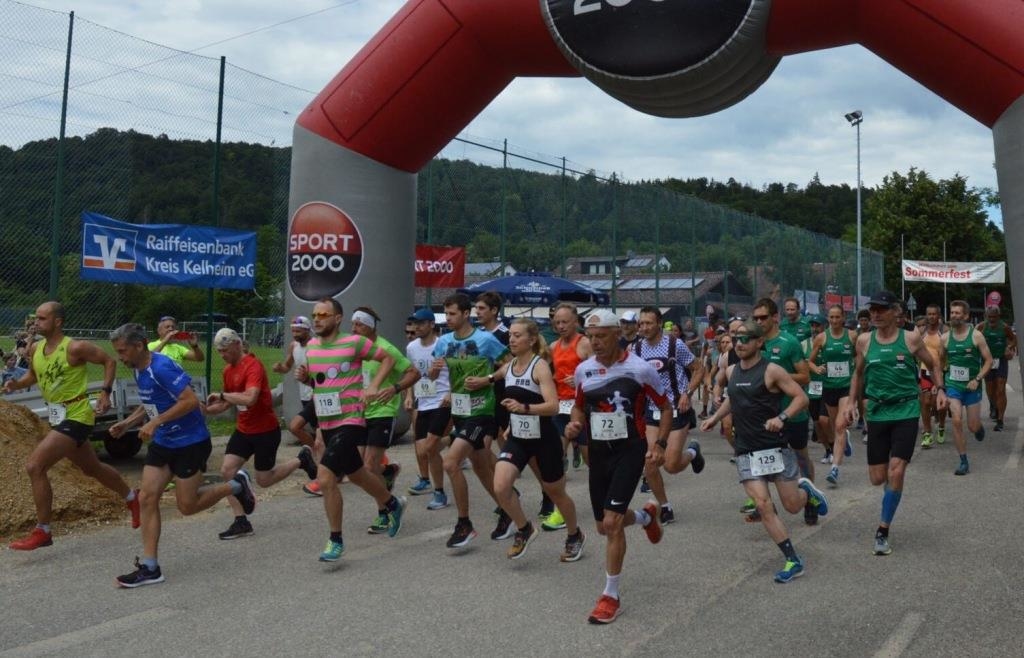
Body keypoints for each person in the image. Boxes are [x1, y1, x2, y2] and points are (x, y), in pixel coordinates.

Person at [106, 324, 257, 587]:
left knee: (187, 507)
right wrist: (128, 422)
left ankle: (236, 485)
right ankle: (150, 567)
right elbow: (153, 400)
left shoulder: (162, 367)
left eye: (122, 350)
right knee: (147, 497)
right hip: (164, 442)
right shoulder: (140, 369)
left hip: (190, 442)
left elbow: (188, 401)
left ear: (139, 346)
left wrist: (154, 423)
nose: (120, 357)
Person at [3, 301, 140, 551]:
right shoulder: (36, 348)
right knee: (92, 468)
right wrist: (16, 385)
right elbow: (33, 376)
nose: (37, 322)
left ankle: (43, 530)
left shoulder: (75, 347)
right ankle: (132, 497)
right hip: (58, 417)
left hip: (77, 415)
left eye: (43, 318)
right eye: (36, 318)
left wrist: (105, 393)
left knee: (35, 465)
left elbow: (109, 361)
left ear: (58, 322)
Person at [563, 309, 671, 624]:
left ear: (618, 335)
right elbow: (580, 408)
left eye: (601, 337)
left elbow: (665, 408)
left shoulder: (640, 369)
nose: (594, 343)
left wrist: (660, 444)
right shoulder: (584, 370)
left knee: (611, 524)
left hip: (630, 449)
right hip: (598, 452)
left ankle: (610, 596)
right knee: (602, 525)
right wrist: (573, 425)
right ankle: (644, 516)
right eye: (591, 337)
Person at [701, 319, 828, 583]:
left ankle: (808, 493)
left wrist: (782, 417)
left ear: (760, 342)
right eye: (737, 339)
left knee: (792, 506)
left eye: (746, 339)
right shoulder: (733, 369)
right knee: (763, 505)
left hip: (773, 447)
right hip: (747, 450)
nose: (740, 343)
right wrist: (715, 418)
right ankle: (793, 559)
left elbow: (801, 398)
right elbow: (732, 400)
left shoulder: (772, 371)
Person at [296, 297, 407, 561]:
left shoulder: (354, 342)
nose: (317, 318)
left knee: (325, 477)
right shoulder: (311, 346)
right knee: (357, 474)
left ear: (337, 319)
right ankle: (392, 503)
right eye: (315, 314)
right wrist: (306, 379)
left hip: (352, 418)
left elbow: (388, 360)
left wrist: (373, 386)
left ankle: (335, 540)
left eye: (324, 313)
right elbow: (321, 384)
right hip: (328, 420)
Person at [844, 291, 947, 556]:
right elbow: (857, 374)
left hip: (906, 410)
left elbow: (932, 361)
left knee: (897, 470)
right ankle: (891, 491)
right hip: (877, 412)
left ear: (894, 312)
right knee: (878, 478)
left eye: (881, 309)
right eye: (872, 310)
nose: (875, 314)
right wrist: (850, 403)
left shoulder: (910, 338)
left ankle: (883, 530)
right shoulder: (864, 341)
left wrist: (940, 389)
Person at [204, 328, 318, 539]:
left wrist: (222, 395)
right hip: (243, 429)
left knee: (264, 480)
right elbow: (227, 402)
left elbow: (250, 399)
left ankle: (301, 460)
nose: (222, 355)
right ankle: (241, 521)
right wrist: (204, 410)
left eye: (225, 350)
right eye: (219, 352)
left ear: (237, 345)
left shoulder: (253, 366)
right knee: (227, 470)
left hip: (265, 431)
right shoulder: (228, 371)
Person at [492, 319, 584, 561]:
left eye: (517, 335)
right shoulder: (511, 365)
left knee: (555, 491)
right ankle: (524, 528)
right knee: (501, 485)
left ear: (531, 340)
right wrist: (513, 422)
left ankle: (574, 534)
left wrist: (523, 408)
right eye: (510, 335)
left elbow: (553, 406)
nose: (511, 339)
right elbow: (498, 379)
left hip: (544, 438)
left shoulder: (540, 366)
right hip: (519, 438)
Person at [431, 293, 510, 549]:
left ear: (466, 314)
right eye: (447, 314)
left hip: (483, 411)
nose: (449, 319)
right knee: (480, 466)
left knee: (451, 462)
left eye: (453, 314)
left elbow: (510, 365)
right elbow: (433, 375)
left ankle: (464, 523)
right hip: (460, 410)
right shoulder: (443, 342)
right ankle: (508, 508)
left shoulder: (485, 339)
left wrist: (487, 380)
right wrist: (433, 371)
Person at [350, 306, 421, 533]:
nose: (354, 329)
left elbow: (413, 372)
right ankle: (387, 472)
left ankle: (384, 513)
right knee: (357, 469)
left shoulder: (386, 348)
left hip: (383, 412)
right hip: (359, 412)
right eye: (353, 324)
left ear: (370, 326)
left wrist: (394, 388)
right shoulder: (354, 349)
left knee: (369, 466)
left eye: (359, 324)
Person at [633, 306, 705, 525]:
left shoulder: (675, 345)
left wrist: (688, 393)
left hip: (676, 408)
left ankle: (693, 453)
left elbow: (699, 368)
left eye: (649, 323)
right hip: (651, 411)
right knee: (652, 462)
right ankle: (665, 506)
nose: (644, 327)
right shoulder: (636, 349)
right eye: (641, 323)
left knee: (672, 465)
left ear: (658, 323)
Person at [751, 298, 816, 524]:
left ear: (775, 317)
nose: (759, 321)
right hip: (765, 416)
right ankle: (765, 507)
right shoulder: (754, 344)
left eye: (763, 317)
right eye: (756, 318)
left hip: (792, 411)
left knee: (801, 457)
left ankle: (811, 499)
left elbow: (805, 376)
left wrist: (777, 379)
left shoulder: (789, 342)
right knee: (765, 460)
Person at [405, 308, 451, 510]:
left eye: (421, 323)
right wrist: (408, 395)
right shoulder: (412, 347)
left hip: (442, 400)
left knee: (430, 447)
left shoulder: (445, 344)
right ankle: (456, 438)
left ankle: (439, 492)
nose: (417, 327)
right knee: (424, 450)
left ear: (432, 324)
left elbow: (457, 370)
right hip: (423, 401)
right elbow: (412, 372)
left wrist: (452, 393)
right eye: (415, 323)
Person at [942, 300, 993, 475]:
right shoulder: (945, 338)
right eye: (952, 312)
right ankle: (963, 461)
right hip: (953, 385)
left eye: (957, 313)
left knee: (972, 426)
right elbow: (941, 362)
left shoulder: (976, 336)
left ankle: (978, 428)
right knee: (956, 420)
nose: (954, 315)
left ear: (966, 316)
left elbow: (989, 361)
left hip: (972, 386)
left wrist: (977, 379)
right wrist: (941, 385)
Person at [808, 305, 856, 486]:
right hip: (828, 387)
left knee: (839, 426)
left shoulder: (851, 336)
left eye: (837, 317)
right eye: (831, 317)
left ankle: (834, 469)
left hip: (845, 386)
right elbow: (810, 362)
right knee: (836, 428)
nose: (834, 321)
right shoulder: (821, 338)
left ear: (843, 317)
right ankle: (845, 441)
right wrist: (817, 368)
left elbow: (859, 358)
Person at [272, 316, 317, 454]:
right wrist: (280, 368)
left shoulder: (316, 344)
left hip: (316, 394)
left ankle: (318, 452)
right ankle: (323, 453)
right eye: (293, 331)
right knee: (318, 428)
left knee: (295, 426)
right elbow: (287, 366)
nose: (295, 334)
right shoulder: (294, 346)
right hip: (303, 393)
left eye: (299, 331)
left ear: (307, 330)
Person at [978, 305, 1016, 432]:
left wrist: (1009, 347)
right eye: (989, 317)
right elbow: (973, 340)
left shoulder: (1004, 327)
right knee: (990, 390)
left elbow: (1013, 339)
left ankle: (1000, 419)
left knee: (1000, 389)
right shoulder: (982, 327)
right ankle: (993, 406)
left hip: (1001, 360)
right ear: (986, 316)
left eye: (994, 317)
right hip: (987, 361)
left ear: (998, 316)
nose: (992, 320)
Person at [918, 304, 948, 448]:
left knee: (939, 404)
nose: (931, 317)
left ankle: (941, 426)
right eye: (929, 314)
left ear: (939, 315)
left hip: (941, 372)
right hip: (925, 371)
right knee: (925, 402)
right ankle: (927, 433)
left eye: (934, 314)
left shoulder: (945, 331)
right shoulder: (922, 332)